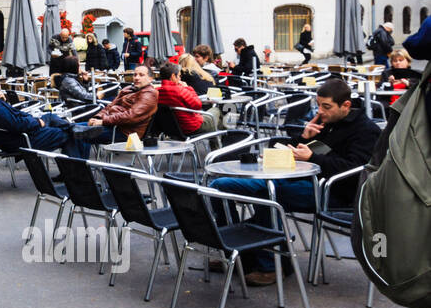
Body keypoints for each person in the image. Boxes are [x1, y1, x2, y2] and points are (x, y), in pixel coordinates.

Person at [210, 78, 381, 286]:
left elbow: (355, 170)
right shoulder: (327, 123)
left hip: (332, 191)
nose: (321, 111)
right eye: (318, 105)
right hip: (299, 180)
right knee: (219, 186)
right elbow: (299, 151)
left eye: (326, 106)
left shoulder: (366, 131)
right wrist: (304, 137)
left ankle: (272, 265)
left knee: (267, 194)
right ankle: (235, 251)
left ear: (346, 105)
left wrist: (313, 158)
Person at [68, 64, 159, 156]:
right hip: (112, 125)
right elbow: (109, 106)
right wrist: (98, 117)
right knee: (71, 128)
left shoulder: (149, 94)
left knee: (79, 133)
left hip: (125, 133)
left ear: (150, 78)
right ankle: (74, 165)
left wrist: (103, 122)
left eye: (141, 75)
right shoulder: (128, 89)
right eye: (135, 75)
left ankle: (80, 166)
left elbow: (130, 116)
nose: (136, 78)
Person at [0, 74, 73, 154]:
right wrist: (36, 122)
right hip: (22, 140)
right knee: (67, 134)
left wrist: (1, 100)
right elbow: (15, 124)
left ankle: (74, 128)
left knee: (50, 117)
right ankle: (75, 174)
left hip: (12, 137)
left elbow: (7, 119)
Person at [156, 62, 214, 136]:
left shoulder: (157, 91)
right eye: (179, 76)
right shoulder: (180, 90)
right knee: (216, 112)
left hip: (170, 129)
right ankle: (218, 144)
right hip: (191, 126)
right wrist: (187, 88)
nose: (180, 78)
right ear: (173, 76)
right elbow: (197, 106)